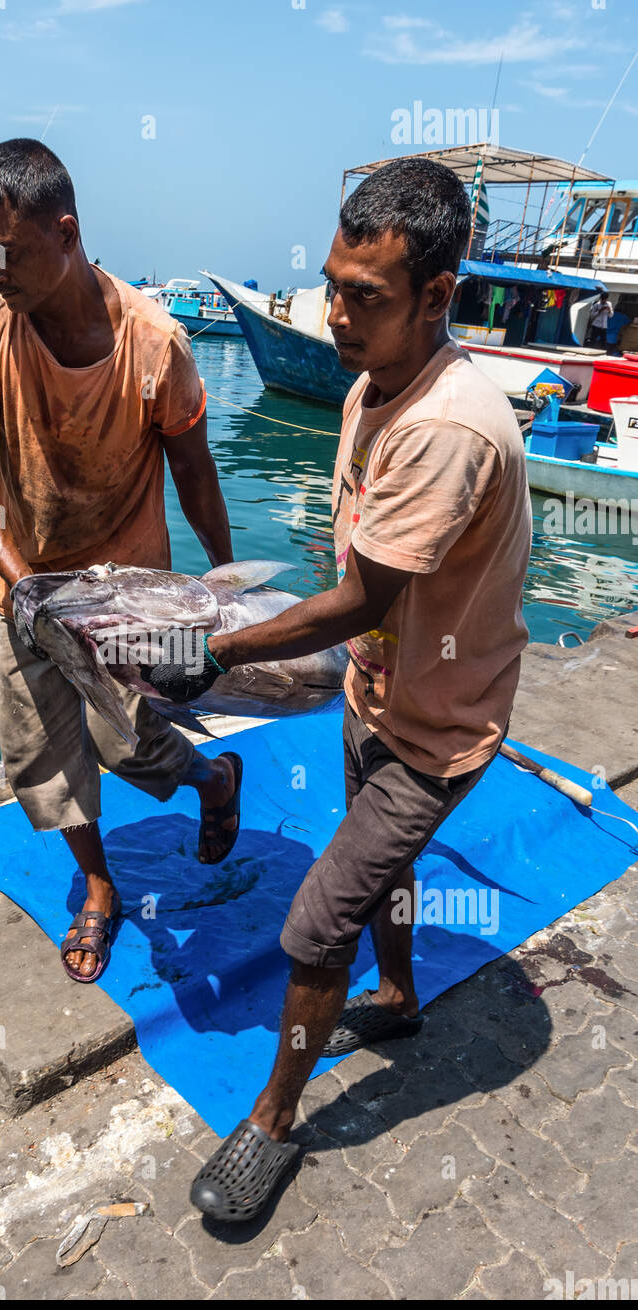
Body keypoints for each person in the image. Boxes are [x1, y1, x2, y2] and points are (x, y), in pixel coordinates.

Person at [143, 156, 532, 1222]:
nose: (338, 315)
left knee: (320, 922)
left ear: (438, 297)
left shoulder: (449, 424)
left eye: (366, 298)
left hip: (439, 721)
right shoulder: (370, 383)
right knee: (378, 864)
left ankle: (272, 1123)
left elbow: (360, 595)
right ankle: (400, 995)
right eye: (332, 286)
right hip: (379, 692)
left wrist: (215, 655)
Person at [0, 139, 243, 984]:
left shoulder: (153, 342)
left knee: (131, 743)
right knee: (43, 760)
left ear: (66, 232)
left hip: (129, 594)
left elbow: (194, 471)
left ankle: (212, 778)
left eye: (13, 253)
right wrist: (24, 585)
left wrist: (222, 585)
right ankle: (98, 885)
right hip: (23, 584)